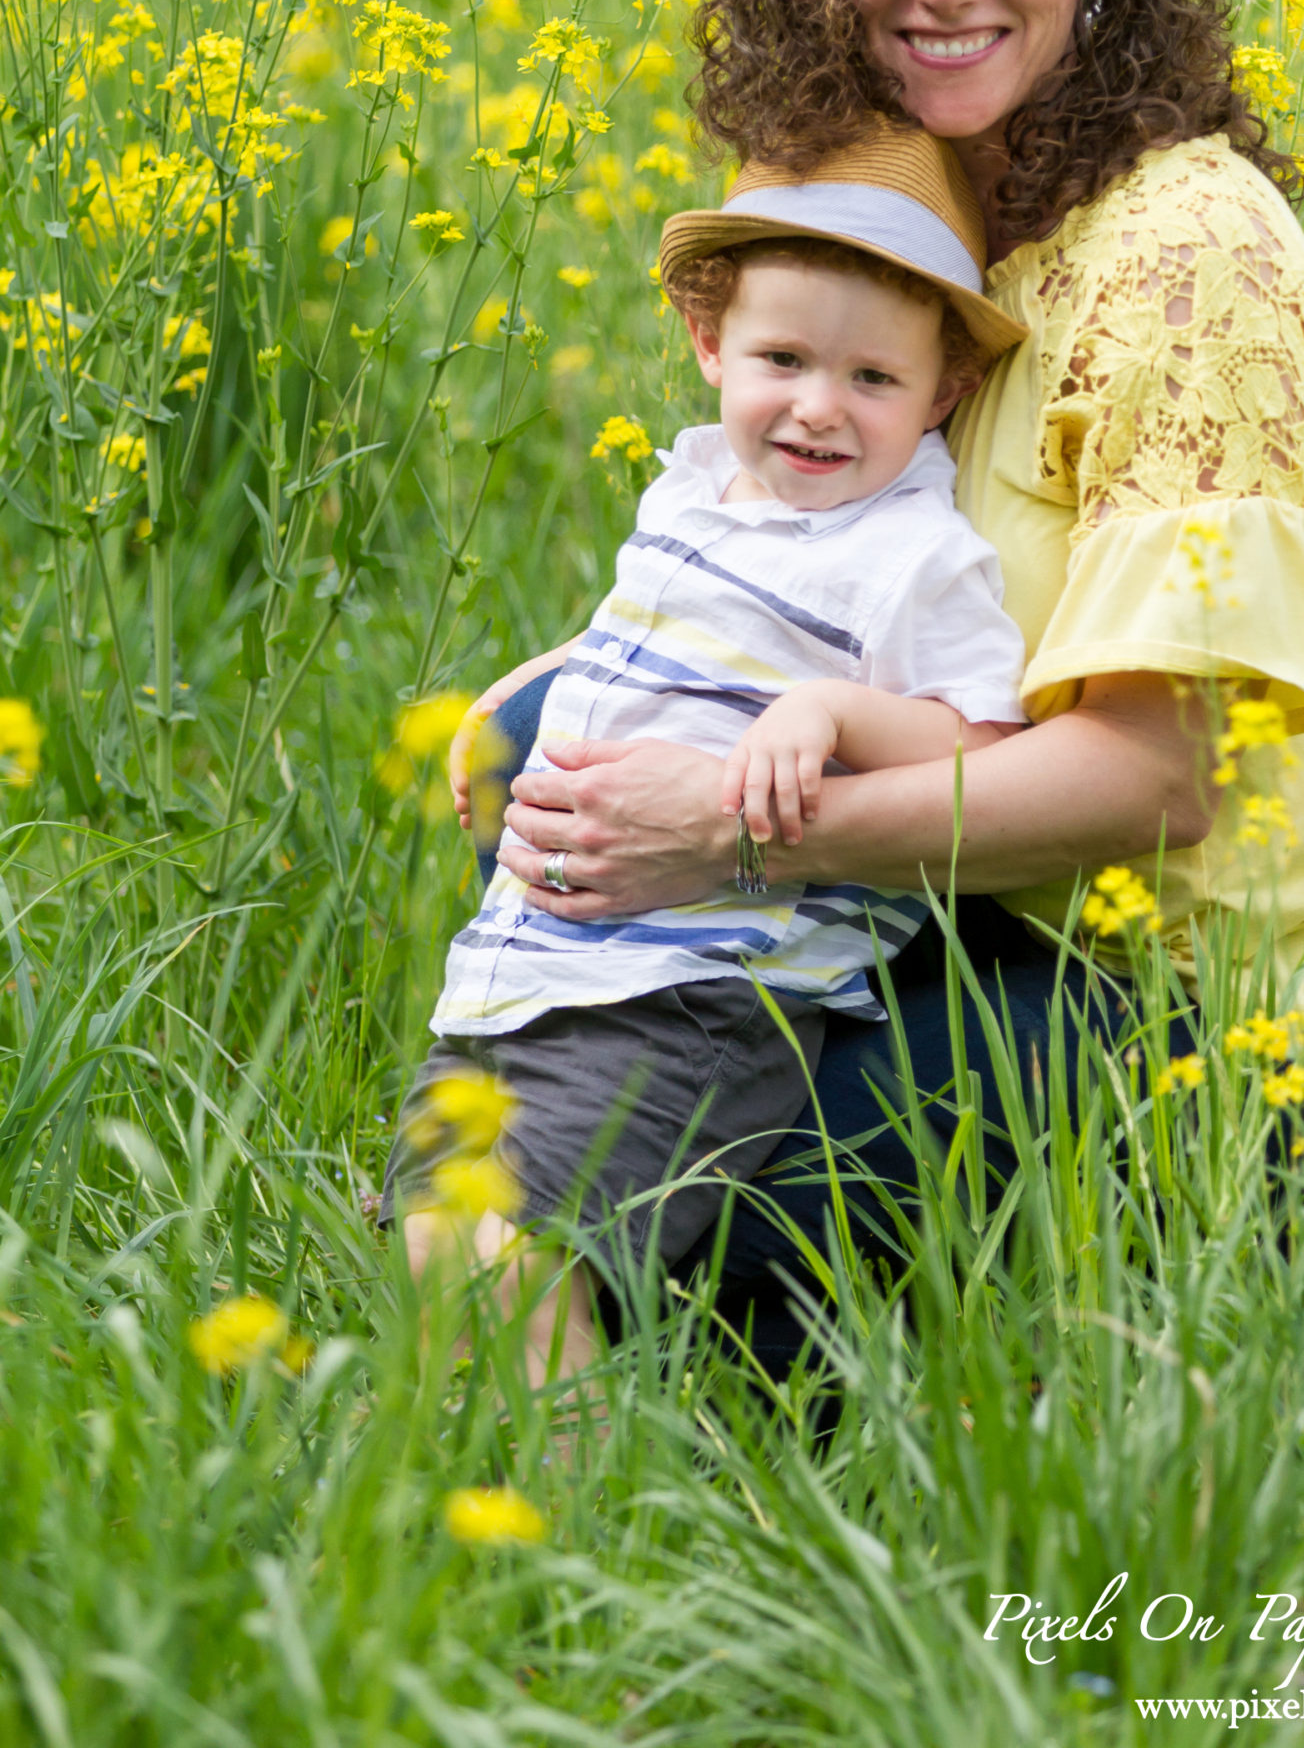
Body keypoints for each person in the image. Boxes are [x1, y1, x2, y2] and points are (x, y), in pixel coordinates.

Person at [452, 0, 1304, 1363]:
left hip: (1280, 1051)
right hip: (1024, 940)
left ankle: (563, 1559)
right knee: (542, 767)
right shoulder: (955, 216)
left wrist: (724, 825)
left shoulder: (1184, 257)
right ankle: (728, 1406)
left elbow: (1152, 778)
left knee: (510, 1194)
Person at [386, 122, 1031, 1388]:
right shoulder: (697, 488)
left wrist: (832, 715)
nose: (818, 407)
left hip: (690, 988)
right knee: (441, 1245)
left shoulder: (915, 553)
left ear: (943, 392)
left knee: (514, 1262)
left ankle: (566, 1534)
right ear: (708, 347)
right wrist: (537, 681)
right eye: (781, 359)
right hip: (529, 965)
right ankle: (526, 1496)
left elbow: (977, 746)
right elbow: (660, 626)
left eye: (872, 380)